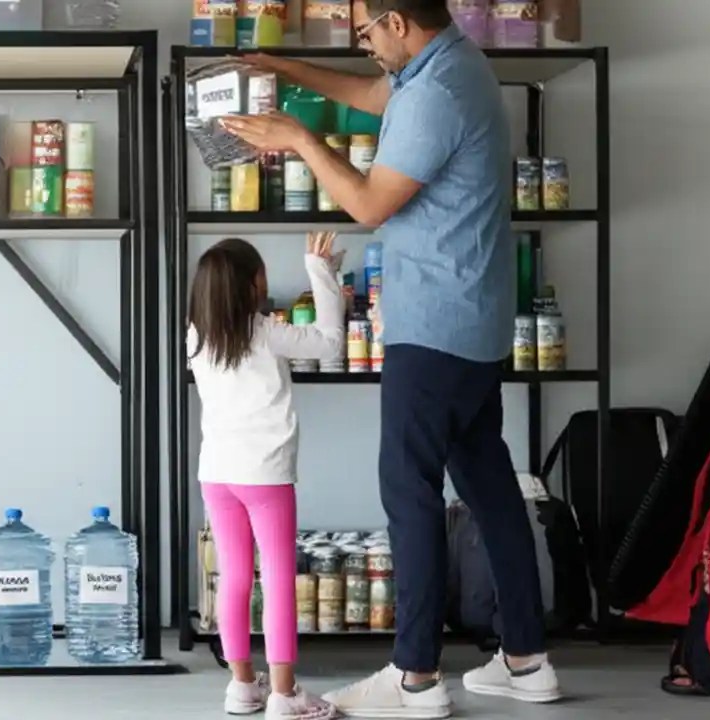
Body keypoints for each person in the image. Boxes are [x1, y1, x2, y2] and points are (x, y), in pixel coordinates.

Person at [220, 1, 562, 717]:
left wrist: (300, 139)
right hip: (471, 322)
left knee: (408, 494)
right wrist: (285, 68)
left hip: (433, 326)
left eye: (368, 32)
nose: (366, 47)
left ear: (398, 22)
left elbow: (370, 205)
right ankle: (527, 659)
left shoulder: (436, 92)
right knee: (490, 489)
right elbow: (374, 95)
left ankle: (414, 677)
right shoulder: (452, 66)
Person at [188, 233, 345, 720]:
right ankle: (284, 693)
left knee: (233, 578)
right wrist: (320, 271)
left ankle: (241, 687)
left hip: (216, 473)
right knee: (277, 580)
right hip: (266, 475)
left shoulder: (195, 336)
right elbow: (329, 341)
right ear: (251, 285)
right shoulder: (265, 332)